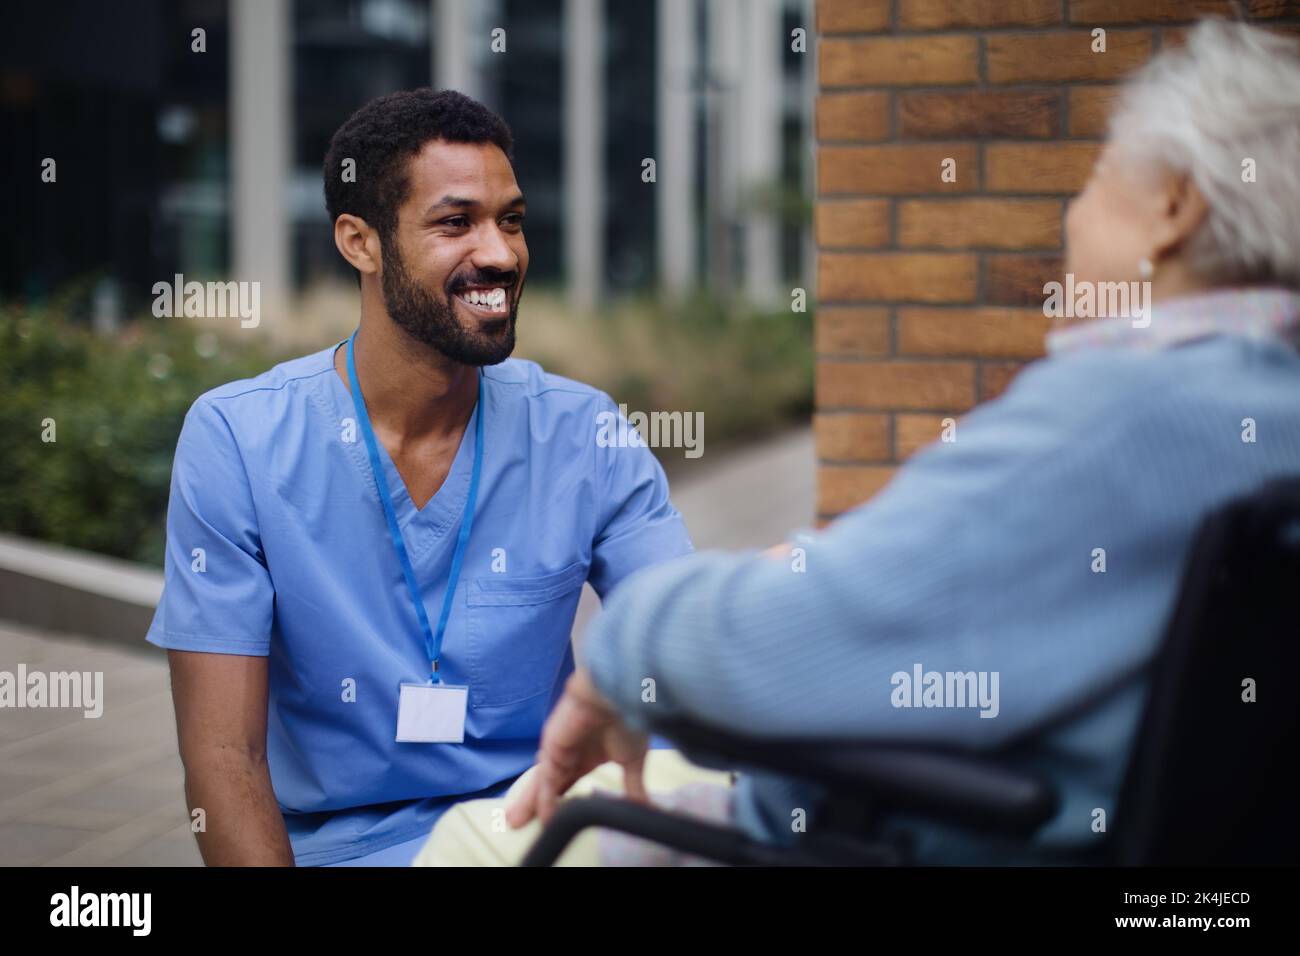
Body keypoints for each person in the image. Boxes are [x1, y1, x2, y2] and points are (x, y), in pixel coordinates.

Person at [414, 19, 1300, 866]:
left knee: (476, 840)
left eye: (1099, 176)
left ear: (1174, 208)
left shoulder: (1123, 409)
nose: (1071, 218)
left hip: (894, 835)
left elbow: (787, 649)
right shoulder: (1263, 408)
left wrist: (624, 651)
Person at [146, 89, 694, 866]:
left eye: (511, 219)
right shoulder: (239, 438)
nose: (501, 254)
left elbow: (683, 638)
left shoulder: (584, 432)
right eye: (454, 222)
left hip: (541, 834)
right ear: (359, 242)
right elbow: (225, 762)